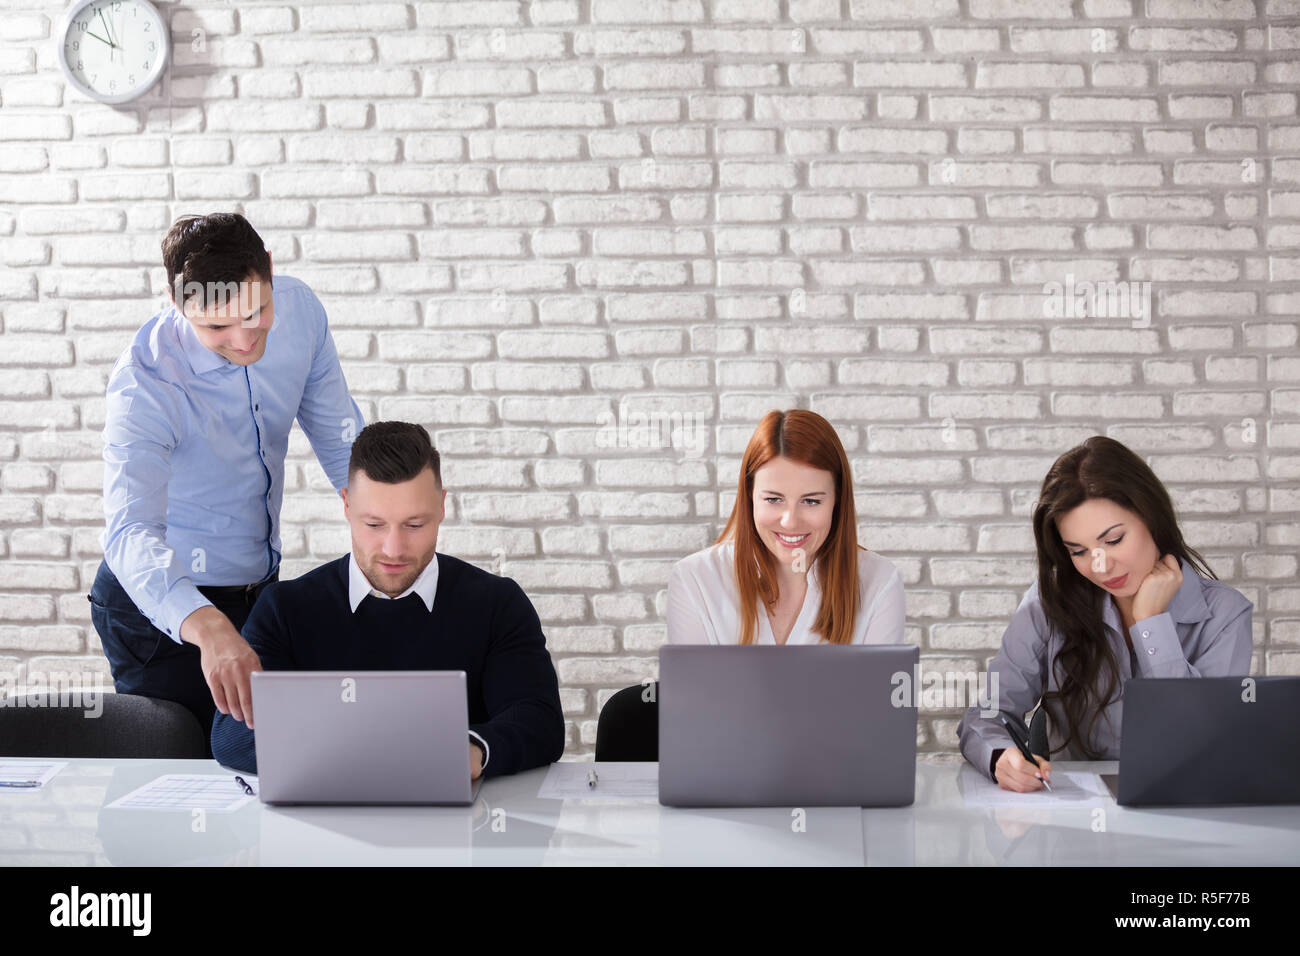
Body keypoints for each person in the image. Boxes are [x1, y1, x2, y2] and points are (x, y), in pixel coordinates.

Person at [90, 212, 364, 746]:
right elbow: (128, 533)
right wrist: (209, 626)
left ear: (269, 268)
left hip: (259, 591)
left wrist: (386, 523)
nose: (243, 340)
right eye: (216, 327)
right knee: (185, 766)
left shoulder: (301, 311)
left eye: (256, 312)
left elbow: (340, 439)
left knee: (268, 761)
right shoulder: (144, 385)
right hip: (162, 608)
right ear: (177, 305)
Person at [210, 422, 566, 779]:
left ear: (442, 507)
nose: (393, 550)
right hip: (323, 828)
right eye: (374, 525)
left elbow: (538, 720)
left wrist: (470, 752)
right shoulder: (284, 608)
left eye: (414, 525)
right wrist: (387, 754)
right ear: (347, 505)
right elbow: (233, 736)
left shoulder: (497, 605)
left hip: (460, 828)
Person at [958, 435, 1253, 792]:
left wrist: (1150, 624)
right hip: (1078, 821)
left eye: (1113, 540)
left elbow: (1197, 739)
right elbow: (988, 711)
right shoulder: (1047, 604)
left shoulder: (1225, 615)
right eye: (1079, 551)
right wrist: (1000, 756)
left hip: (1186, 810)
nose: (1101, 565)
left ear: (1152, 519)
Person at [667, 409, 905, 645]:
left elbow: (877, 684)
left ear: (837, 501)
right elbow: (694, 684)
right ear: (750, 496)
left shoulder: (879, 581)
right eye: (773, 499)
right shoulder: (695, 580)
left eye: (811, 501)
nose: (790, 521)